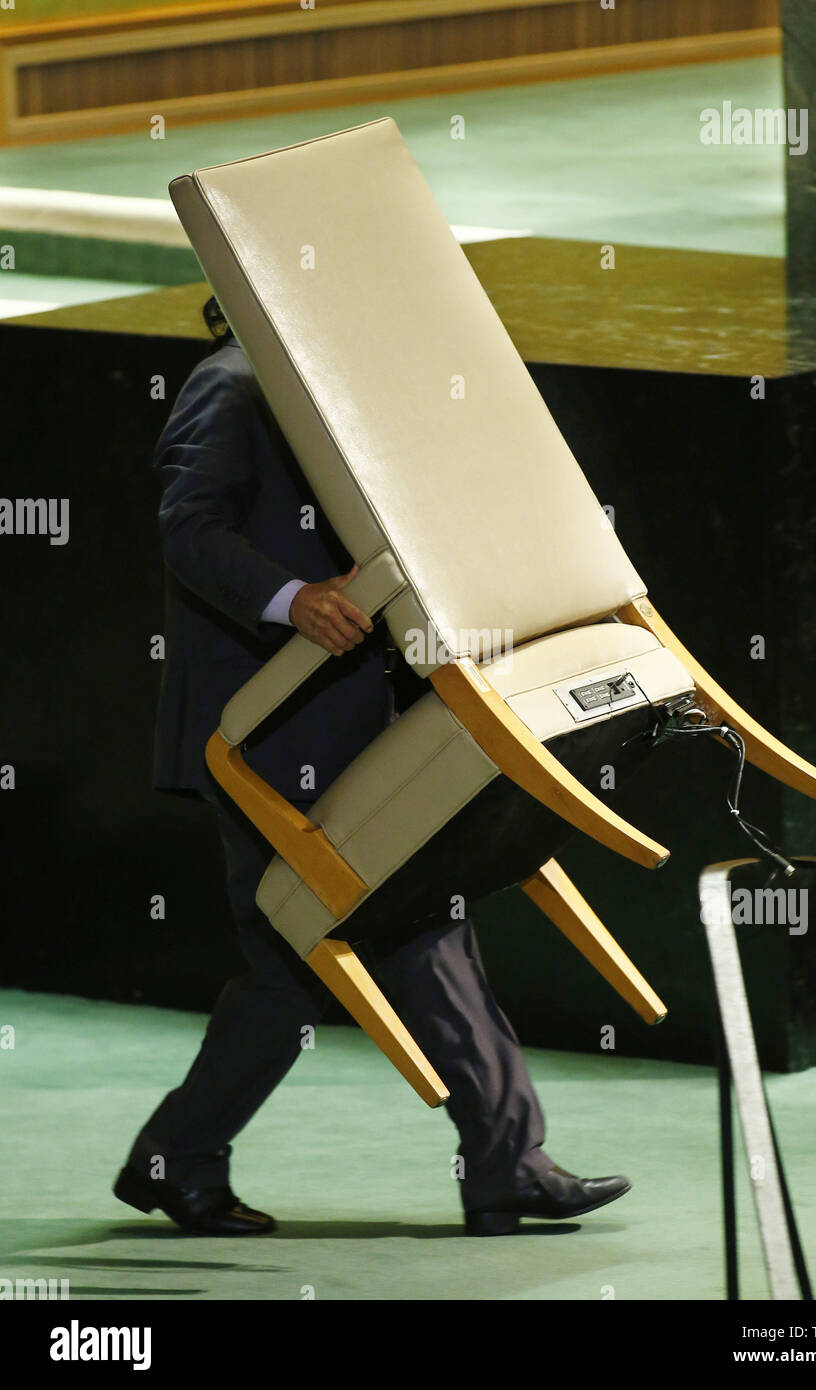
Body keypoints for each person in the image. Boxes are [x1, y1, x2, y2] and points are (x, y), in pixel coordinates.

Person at [112, 297, 631, 1237]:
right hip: (266, 736)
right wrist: (292, 599)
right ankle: (181, 1157)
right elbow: (188, 528)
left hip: (343, 719)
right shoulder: (230, 387)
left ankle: (504, 1159)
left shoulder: (326, 398)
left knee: (412, 923)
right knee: (305, 961)